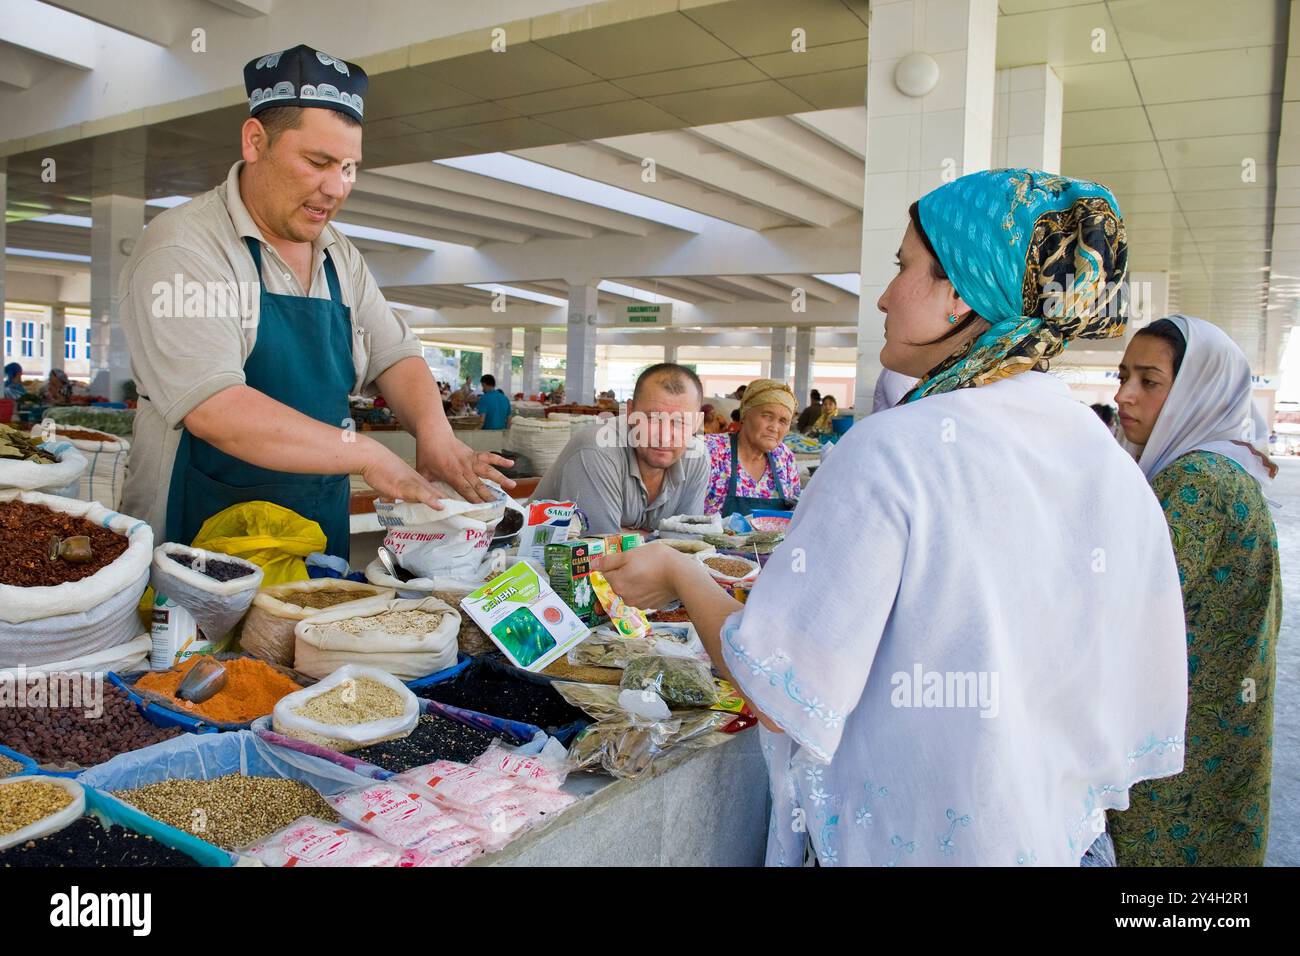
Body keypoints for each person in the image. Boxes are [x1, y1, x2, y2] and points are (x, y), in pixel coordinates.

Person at [592, 169, 1188, 866]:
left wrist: (678, 572)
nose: (881, 295)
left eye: (904, 267)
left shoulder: (894, 449)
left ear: (960, 294)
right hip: (1061, 841)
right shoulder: (1108, 462)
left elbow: (785, 689)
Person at [117, 44, 512, 560]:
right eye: (317, 161)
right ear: (256, 141)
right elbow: (216, 410)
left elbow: (395, 353)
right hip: (200, 532)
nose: (336, 188)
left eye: (348, 166)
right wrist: (366, 454)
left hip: (315, 529)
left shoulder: (336, 254)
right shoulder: (185, 247)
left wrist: (435, 433)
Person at [1108, 315, 1280, 866]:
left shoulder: (1196, 483)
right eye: (1122, 376)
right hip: (1217, 749)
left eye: (1148, 381)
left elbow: (1119, 613)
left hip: (1178, 772)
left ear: (1196, 391)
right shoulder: (1226, 469)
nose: (1123, 395)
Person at [532, 363, 709, 535]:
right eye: (652, 418)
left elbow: (688, 542)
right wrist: (657, 537)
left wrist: (631, 536)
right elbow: (601, 552)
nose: (663, 436)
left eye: (680, 422)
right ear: (630, 412)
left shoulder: (697, 457)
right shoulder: (597, 448)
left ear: (697, 424)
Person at [703, 379, 801, 516]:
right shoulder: (710, 451)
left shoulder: (785, 459)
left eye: (783, 421)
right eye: (767, 416)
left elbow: (794, 513)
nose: (774, 428)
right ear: (744, 414)